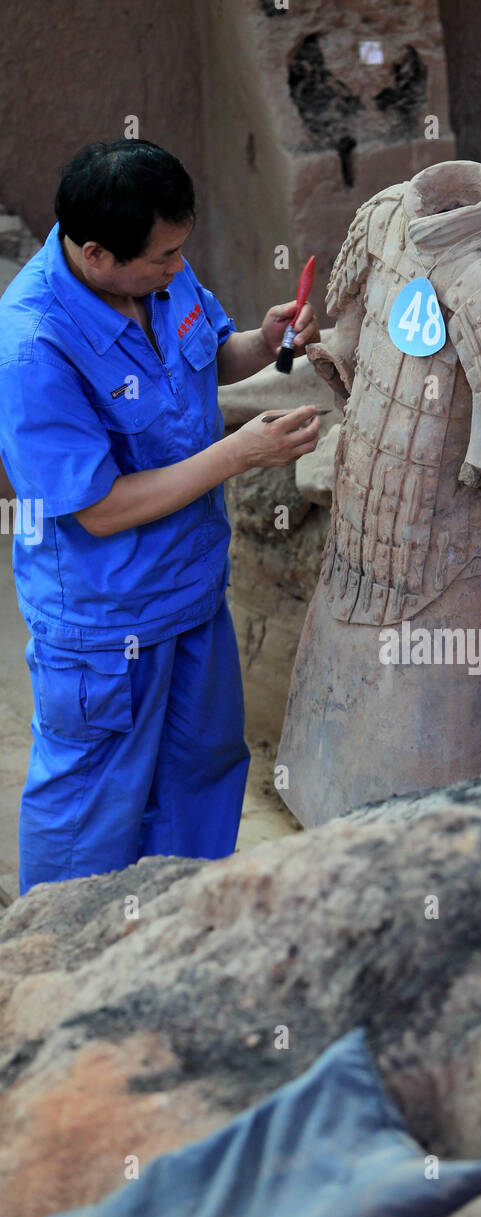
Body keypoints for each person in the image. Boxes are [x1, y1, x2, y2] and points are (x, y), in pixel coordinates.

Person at [0, 139, 321, 894]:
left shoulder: (159, 274)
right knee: (94, 803)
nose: (179, 268)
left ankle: (178, 930)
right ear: (95, 253)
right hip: (106, 620)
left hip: (190, 590)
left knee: (200, 770)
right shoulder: (34, 347)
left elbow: (211, 355)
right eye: (164, 257)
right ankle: (65, 971)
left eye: (183, 250)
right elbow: (100, 511)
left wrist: (265, 342)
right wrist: (239, 455)